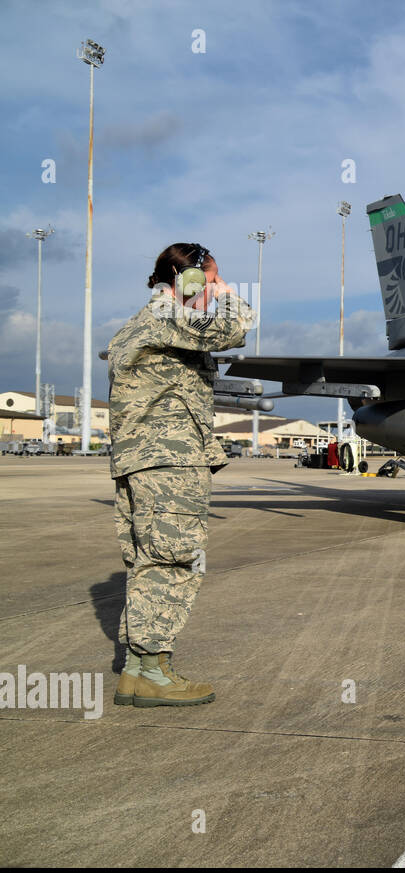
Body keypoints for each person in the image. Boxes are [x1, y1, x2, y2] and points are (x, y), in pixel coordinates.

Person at [108, 242, 255, 707]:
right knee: (174, 561)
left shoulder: (153, 323)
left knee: (150, 562)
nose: (211, 291)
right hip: (170, 461)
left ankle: (138, 670)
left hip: (148, 461)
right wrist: (227, 293)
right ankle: (153, 670)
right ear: (186, 280)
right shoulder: (166, 317)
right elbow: (233, 330)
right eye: (207, 281)